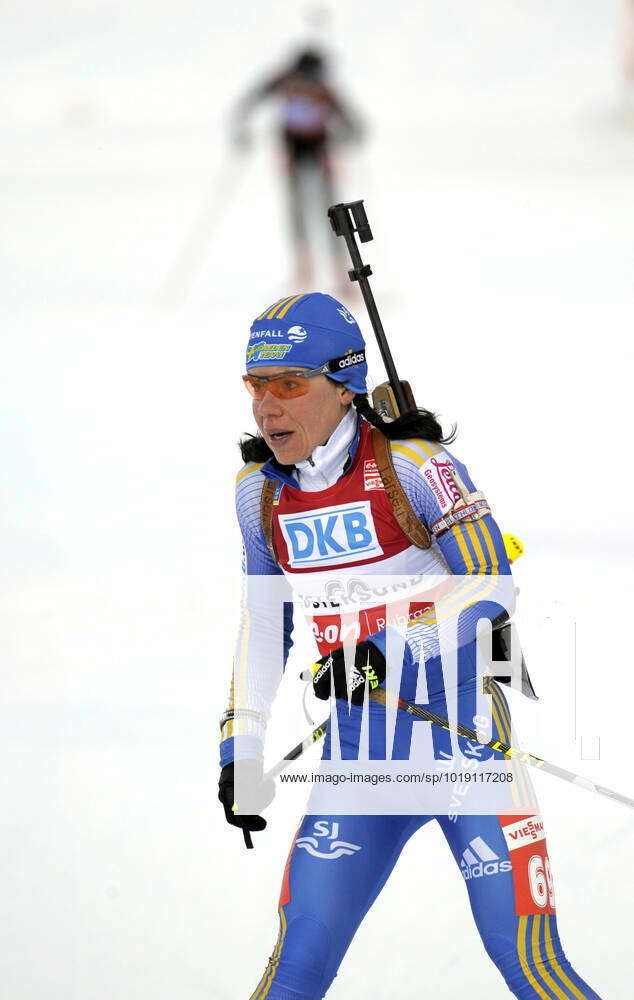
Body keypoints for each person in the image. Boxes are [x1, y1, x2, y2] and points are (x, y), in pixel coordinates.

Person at [218, 291, 603, 999]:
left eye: (291, 384)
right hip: (360, 762)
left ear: (345, 385)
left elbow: (491, 587)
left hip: (465, 746)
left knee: (531, 966)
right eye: (256, 386)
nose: (267, 407)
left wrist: (389, 647)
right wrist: (239, 748)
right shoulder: (260, 496)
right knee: (293, 973)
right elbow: (265, 625)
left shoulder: (416, 467)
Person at [231, 51, 362, 287]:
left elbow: (353, 123)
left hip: (321, 151)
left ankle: (342, 272)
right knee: (297, 211)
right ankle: (304, 270)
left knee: (333, 211)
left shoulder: (325, 88)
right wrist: (242, 132)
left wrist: (345, 139)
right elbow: (246, 105)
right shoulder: (282, 80)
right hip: (293, 151)